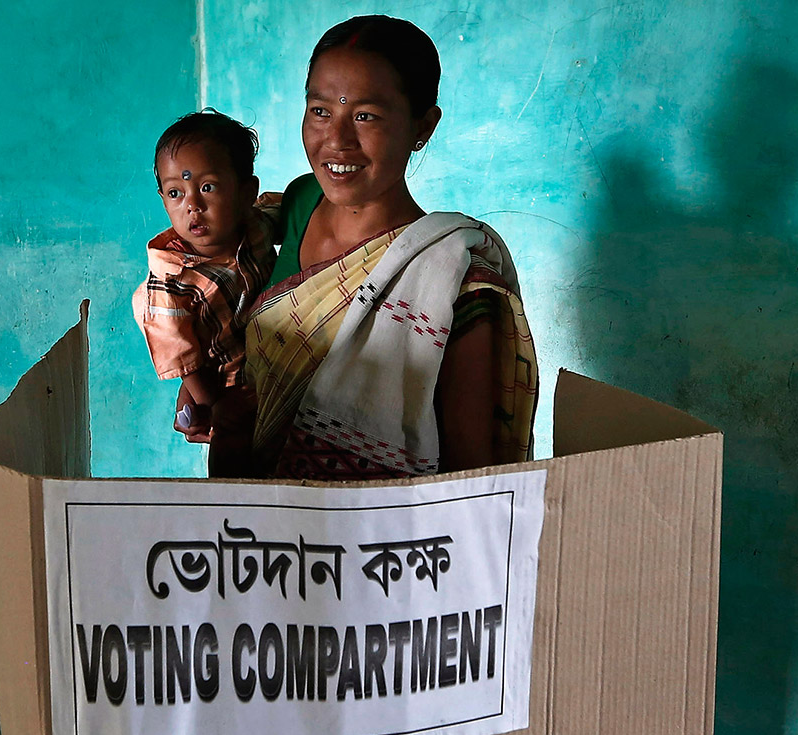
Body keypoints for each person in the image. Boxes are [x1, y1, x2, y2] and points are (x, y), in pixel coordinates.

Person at [177, 16, 537, 480]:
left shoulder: (448, 279)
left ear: (423, 126)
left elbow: (469, 481)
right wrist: (204, 377)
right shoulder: (297, 205)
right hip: (250, 510)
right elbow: (225, 301)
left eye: (365, 116)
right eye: (320, 111)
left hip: (376, 524)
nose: (336, 141)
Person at [133, 110, 276, 472]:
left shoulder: (257, 224)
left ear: (247, 192)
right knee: (234, 463)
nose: (192, 205)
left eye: (207, 187)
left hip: (277, 364)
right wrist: (214, 404)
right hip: (227, 383)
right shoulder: (170, 281)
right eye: (175, 193)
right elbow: (182, 357)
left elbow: (296, 208)